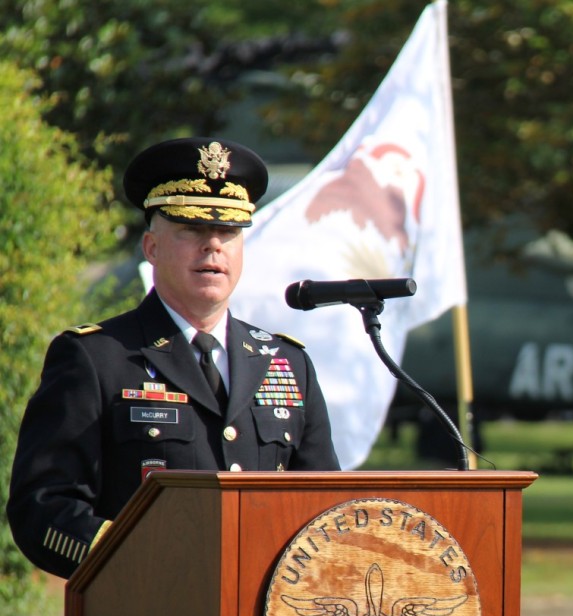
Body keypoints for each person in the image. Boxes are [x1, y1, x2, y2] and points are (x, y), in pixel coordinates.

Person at [7, 137, 341, 579]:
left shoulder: (287, 363)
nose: (213, 246)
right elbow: (43, 508)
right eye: (193, 230)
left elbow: (325, 509)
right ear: (151, 248)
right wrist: (141, 561)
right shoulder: (96, 358)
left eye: (229, 233)